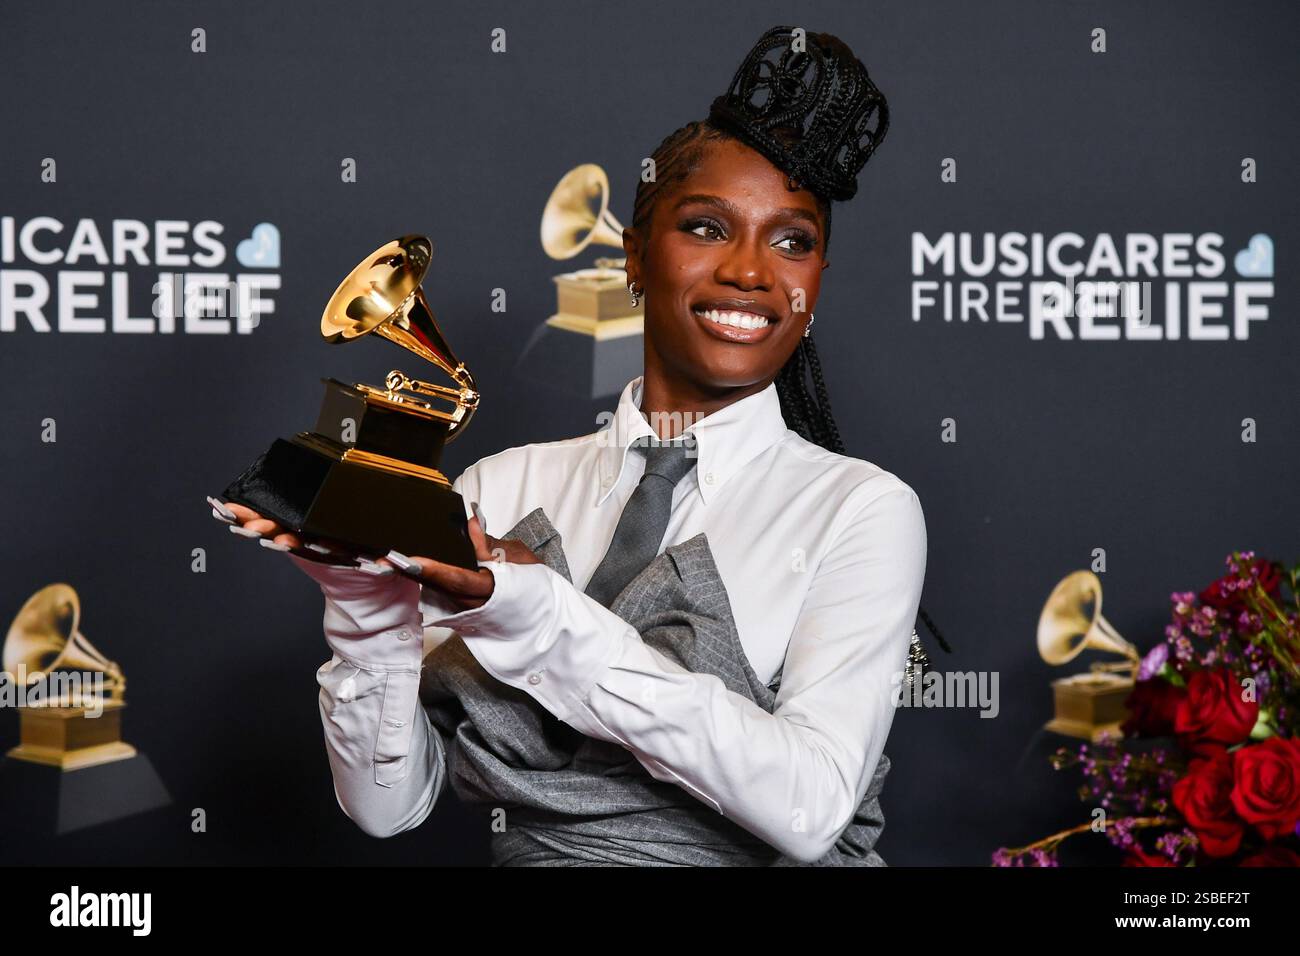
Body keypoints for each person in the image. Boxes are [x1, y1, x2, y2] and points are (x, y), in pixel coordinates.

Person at [212, 25, 933, 866]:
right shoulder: (505, 484)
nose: (750, 271)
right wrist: (366, 612)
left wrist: (538, 613)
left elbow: (810, 807)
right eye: (706, 228)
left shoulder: (862, 511)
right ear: (632, 257)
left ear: (815, 283)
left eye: (792, 240)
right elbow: (387, 808)